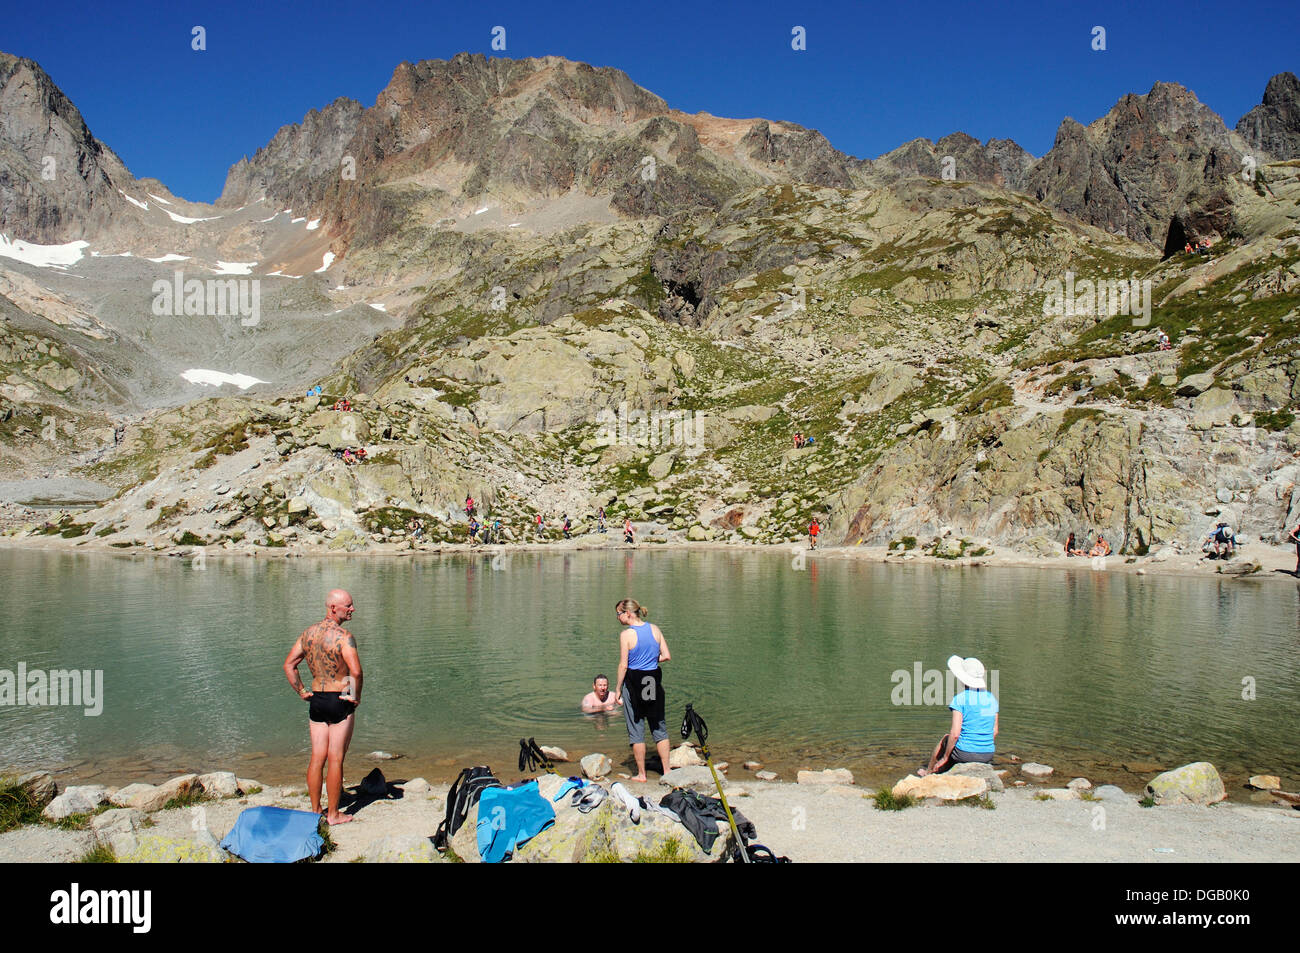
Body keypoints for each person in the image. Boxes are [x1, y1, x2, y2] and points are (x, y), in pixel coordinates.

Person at [283, 589, 363, 825]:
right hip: (339, 700)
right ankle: (334, 814)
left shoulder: (308, 633)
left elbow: (289, 665)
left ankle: (315, 810)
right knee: (336, 758)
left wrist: (302, 692)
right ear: (333, 608)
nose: (352, 609)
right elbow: (356, 671)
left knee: (318, 757)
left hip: (317, 700)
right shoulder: (344, 636)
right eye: (348, 605)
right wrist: (354, 695)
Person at [614, 599, 671, 781]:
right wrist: (650, 661)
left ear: (628, 613)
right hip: (652, 681)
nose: (618, 617)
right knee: (658, 727)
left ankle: (641, 774)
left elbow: (623, 665)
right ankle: (667, 771)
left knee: (636, 728)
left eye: (619, 614)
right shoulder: (655, 629)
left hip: (634, 684)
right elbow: (666, 656)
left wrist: (617, 690)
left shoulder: (627, 635)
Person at [918, 656, 998, 776]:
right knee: (956, 744)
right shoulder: (991, 698)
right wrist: (980, 747)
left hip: (965, 754)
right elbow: (995, 731)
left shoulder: (960, 699)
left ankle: (928, 773)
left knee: (946, 739)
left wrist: (945, 757)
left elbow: (955, 734)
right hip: (987, 754)